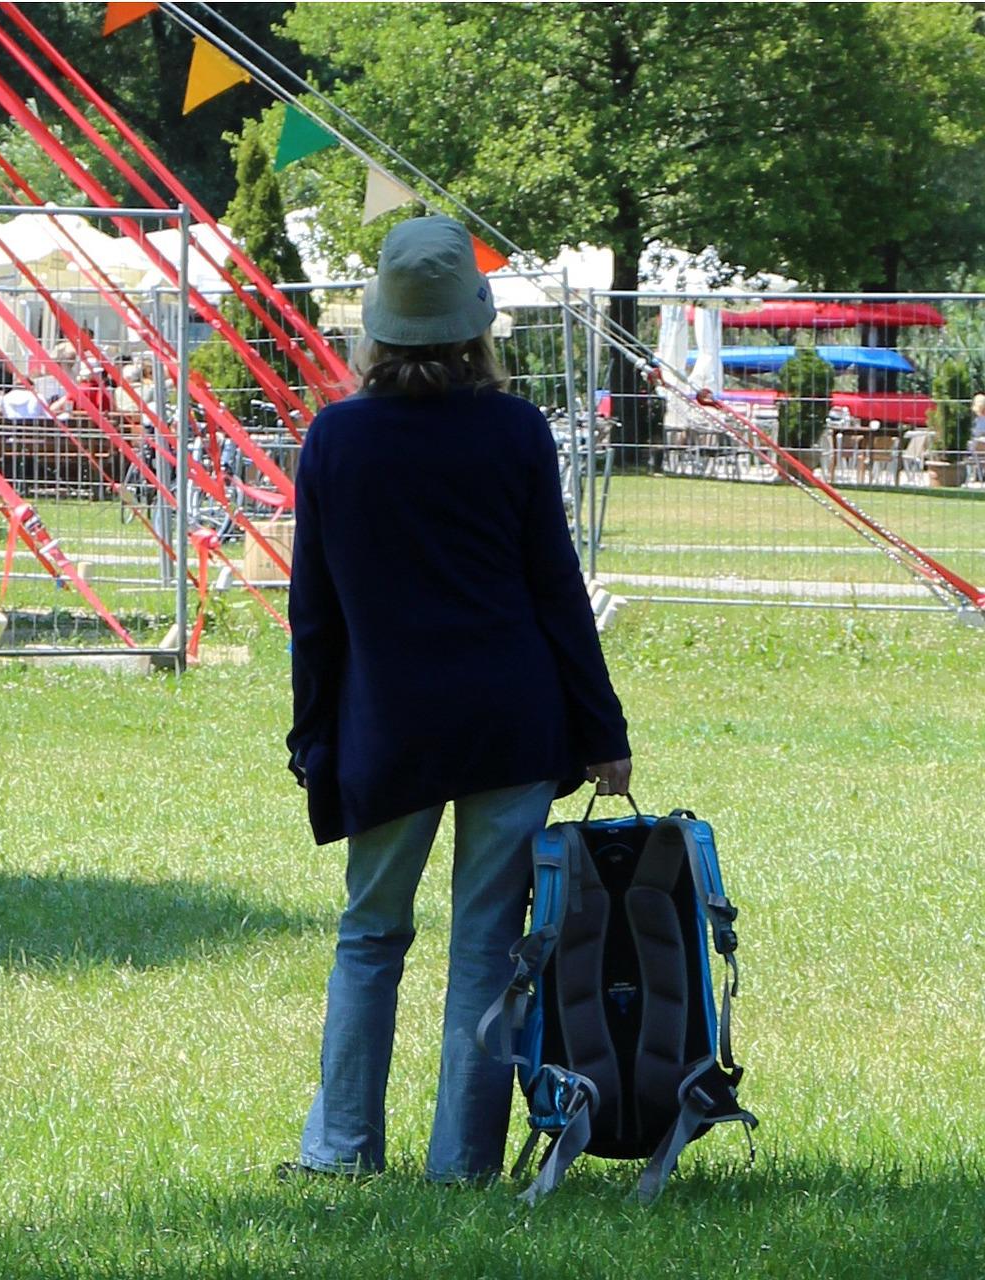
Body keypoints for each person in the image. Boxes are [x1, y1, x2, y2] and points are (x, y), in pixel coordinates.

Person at [283, 215, 632, 1185]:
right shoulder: (515, 431)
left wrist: (311, 734)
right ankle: (463, 1164)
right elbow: (556, 589)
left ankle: (340, 1150)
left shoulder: (335, 438)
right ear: (477, 327)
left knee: (369, 936)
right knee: (487, 949)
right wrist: (602, 728)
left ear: (379, 326)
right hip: (509, 722)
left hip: (388, 729)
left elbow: (314, 612)